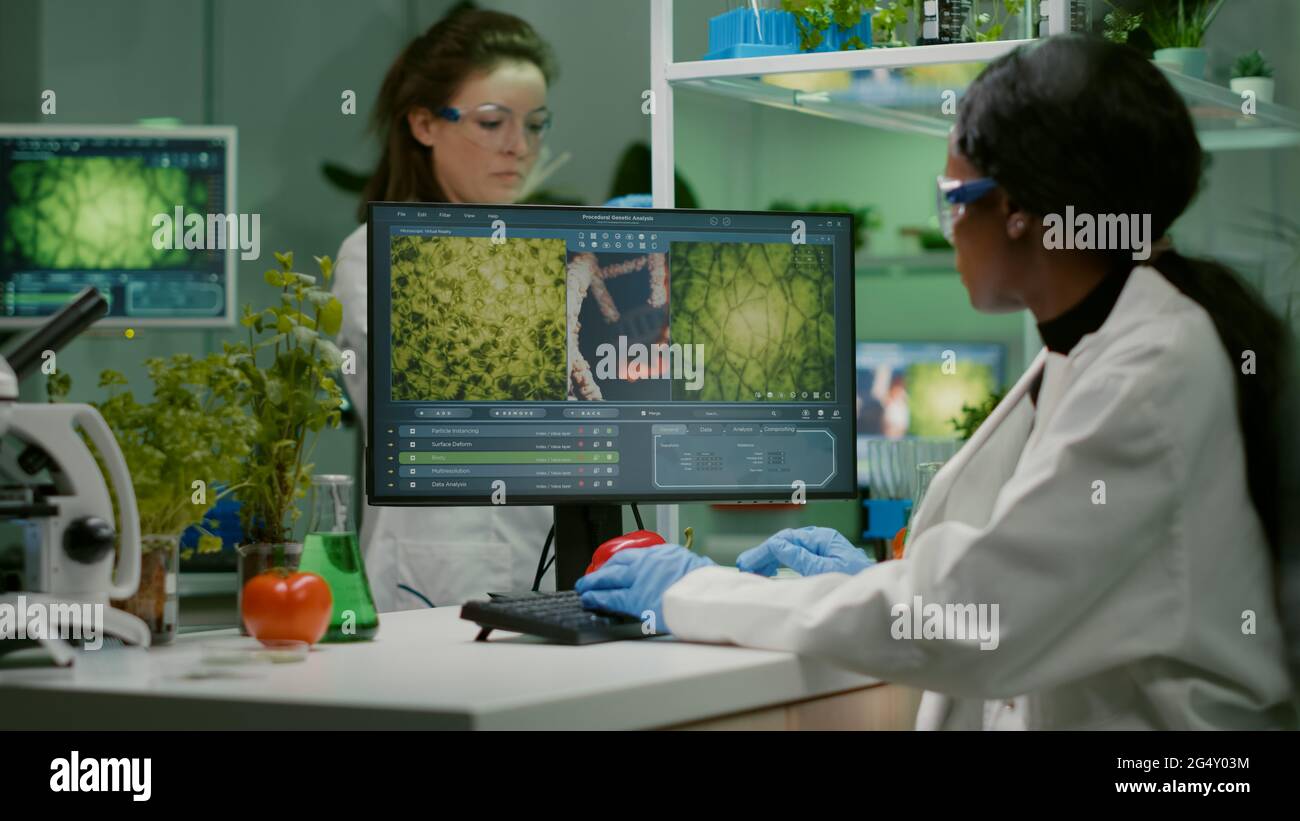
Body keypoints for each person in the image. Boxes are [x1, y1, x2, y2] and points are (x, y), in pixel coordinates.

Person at [576, 35, 1298, 730]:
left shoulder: (1149, 370)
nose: (949, 226)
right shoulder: (1101, 340)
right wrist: (868, 583)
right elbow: (1024, 570)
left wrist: (696, 592)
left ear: (1020, 209)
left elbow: (971, 615)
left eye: (954, 196)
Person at [332, 7, 558, 610]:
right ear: (425, 124)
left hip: (543, 554)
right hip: (431, 567)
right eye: (492, 122)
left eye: (535, 124)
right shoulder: (374, 256)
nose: (519, 147)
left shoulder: (538, 246)